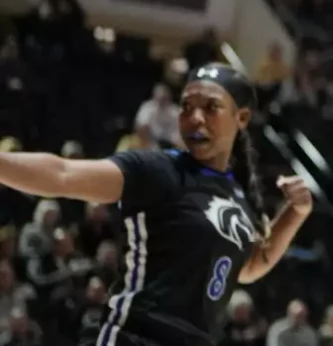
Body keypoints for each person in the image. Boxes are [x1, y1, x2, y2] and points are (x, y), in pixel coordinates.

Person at [0, 64, 314, 346]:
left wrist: (294, 214)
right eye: (187, 106)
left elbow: (247, 267)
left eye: (211, 107)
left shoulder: (237, 195)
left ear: (241, 118)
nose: (195, 117)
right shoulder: (157, 169)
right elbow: (62, 174)